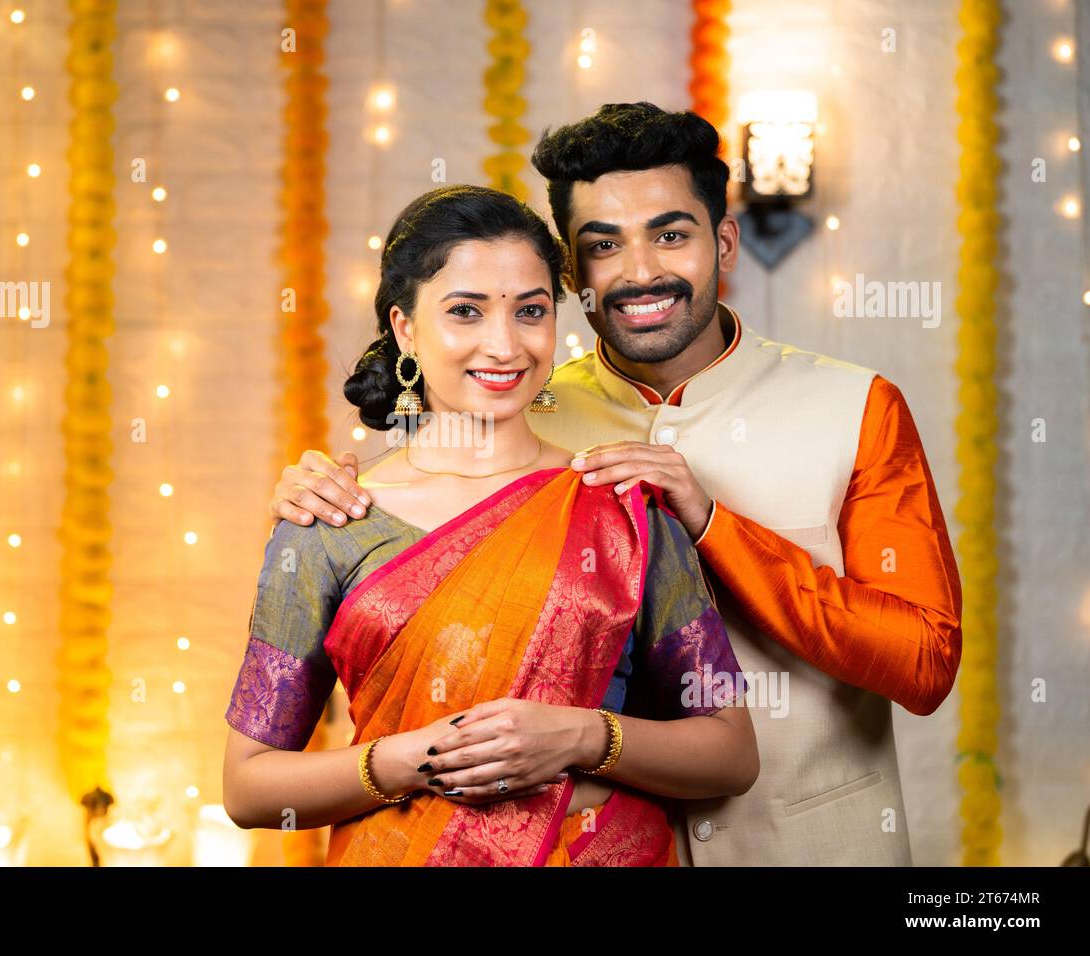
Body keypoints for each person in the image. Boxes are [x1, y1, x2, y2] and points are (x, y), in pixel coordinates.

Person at [271, 103, 964, 866]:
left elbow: (925, 663)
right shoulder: (520, 405)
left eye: (671, 234)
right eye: (604, 246)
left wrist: (711, 523)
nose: (640, 272)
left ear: (723, 241)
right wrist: (322, 489)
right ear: (572, 273)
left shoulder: (854, 406)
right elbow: (407, 531)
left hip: (815, 846)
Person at [223, 183, 758, 866]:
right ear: (405, 328)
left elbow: (731, 753)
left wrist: (585, 738)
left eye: (530, 311)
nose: (503, 345)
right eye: (466, 312)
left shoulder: (619, 502)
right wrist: (414, 759)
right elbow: (247, 785)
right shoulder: (329, 518)